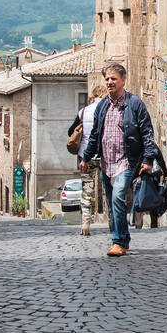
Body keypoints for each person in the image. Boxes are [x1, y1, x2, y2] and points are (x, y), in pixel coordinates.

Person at [79, 62, 158, 257]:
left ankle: (118, 242)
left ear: (123, 80)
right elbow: (95, 135)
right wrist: (86, 157)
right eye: (107, 79)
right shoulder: (102, 106)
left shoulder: (135, 104)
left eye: (113, 78)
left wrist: (148, 159)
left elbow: (147, 133)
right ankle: (124, 236)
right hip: (107, 162)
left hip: (127, 161)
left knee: (118, 197)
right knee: (112, 202)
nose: (109, 82)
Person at [72, 81, 107, 236]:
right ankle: (113, 221)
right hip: (105, 154)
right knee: (109, 188)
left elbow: (70, 132)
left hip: (86, 155)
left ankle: (85, 223)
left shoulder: (83, 112)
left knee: (87, 190)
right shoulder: (108, 110)